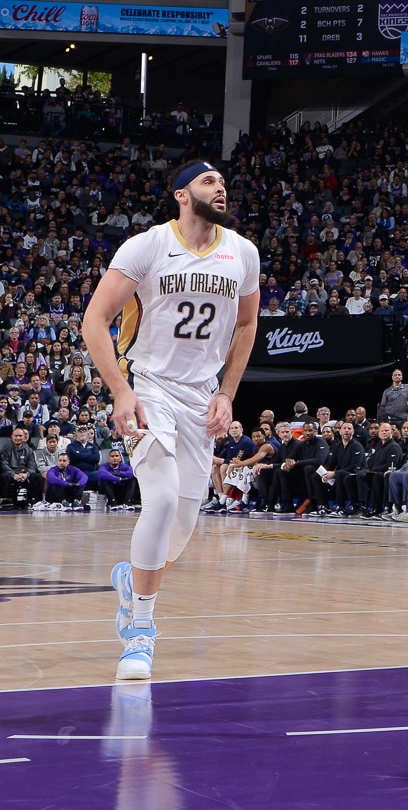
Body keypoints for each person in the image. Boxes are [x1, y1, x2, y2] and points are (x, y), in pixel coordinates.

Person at [79, 161, 261, 681]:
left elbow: (247, 324)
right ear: (181, 194)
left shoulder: (242, 253)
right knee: (158, 502)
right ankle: (141, 629)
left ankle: (131, 578)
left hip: (201, 396)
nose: (220, 187)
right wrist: (121, 390)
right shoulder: (148, 246)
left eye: (223, 181)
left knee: (180, 530)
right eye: (208, 181)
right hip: (149, 386)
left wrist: (227, 392)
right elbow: (95, 319)